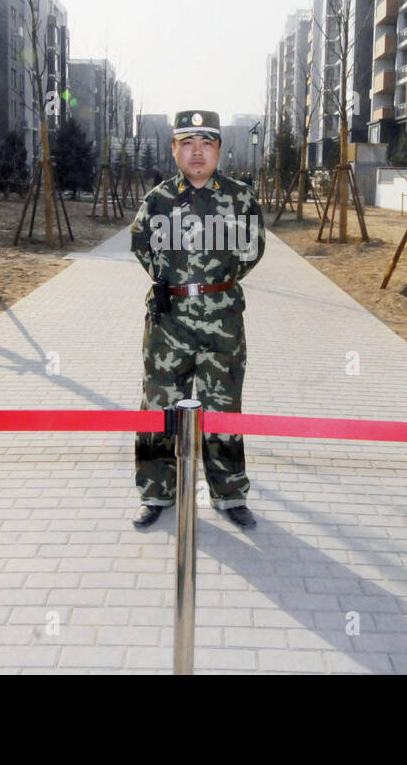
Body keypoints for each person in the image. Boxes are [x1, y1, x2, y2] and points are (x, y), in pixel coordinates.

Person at [129, 110, 265, 530]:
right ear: (174, 150)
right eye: (187, 144)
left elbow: (252, 252)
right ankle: (155, 493)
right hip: (169, 324)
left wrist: (212, 288)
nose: (197, 153)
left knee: (224, 410)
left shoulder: (241, 199)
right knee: (159, 409)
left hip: (223, 324)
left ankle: (229, 495)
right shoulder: (157, 200)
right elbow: (141, 246)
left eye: (206, 144)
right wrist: (178, 286)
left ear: (219, 150)